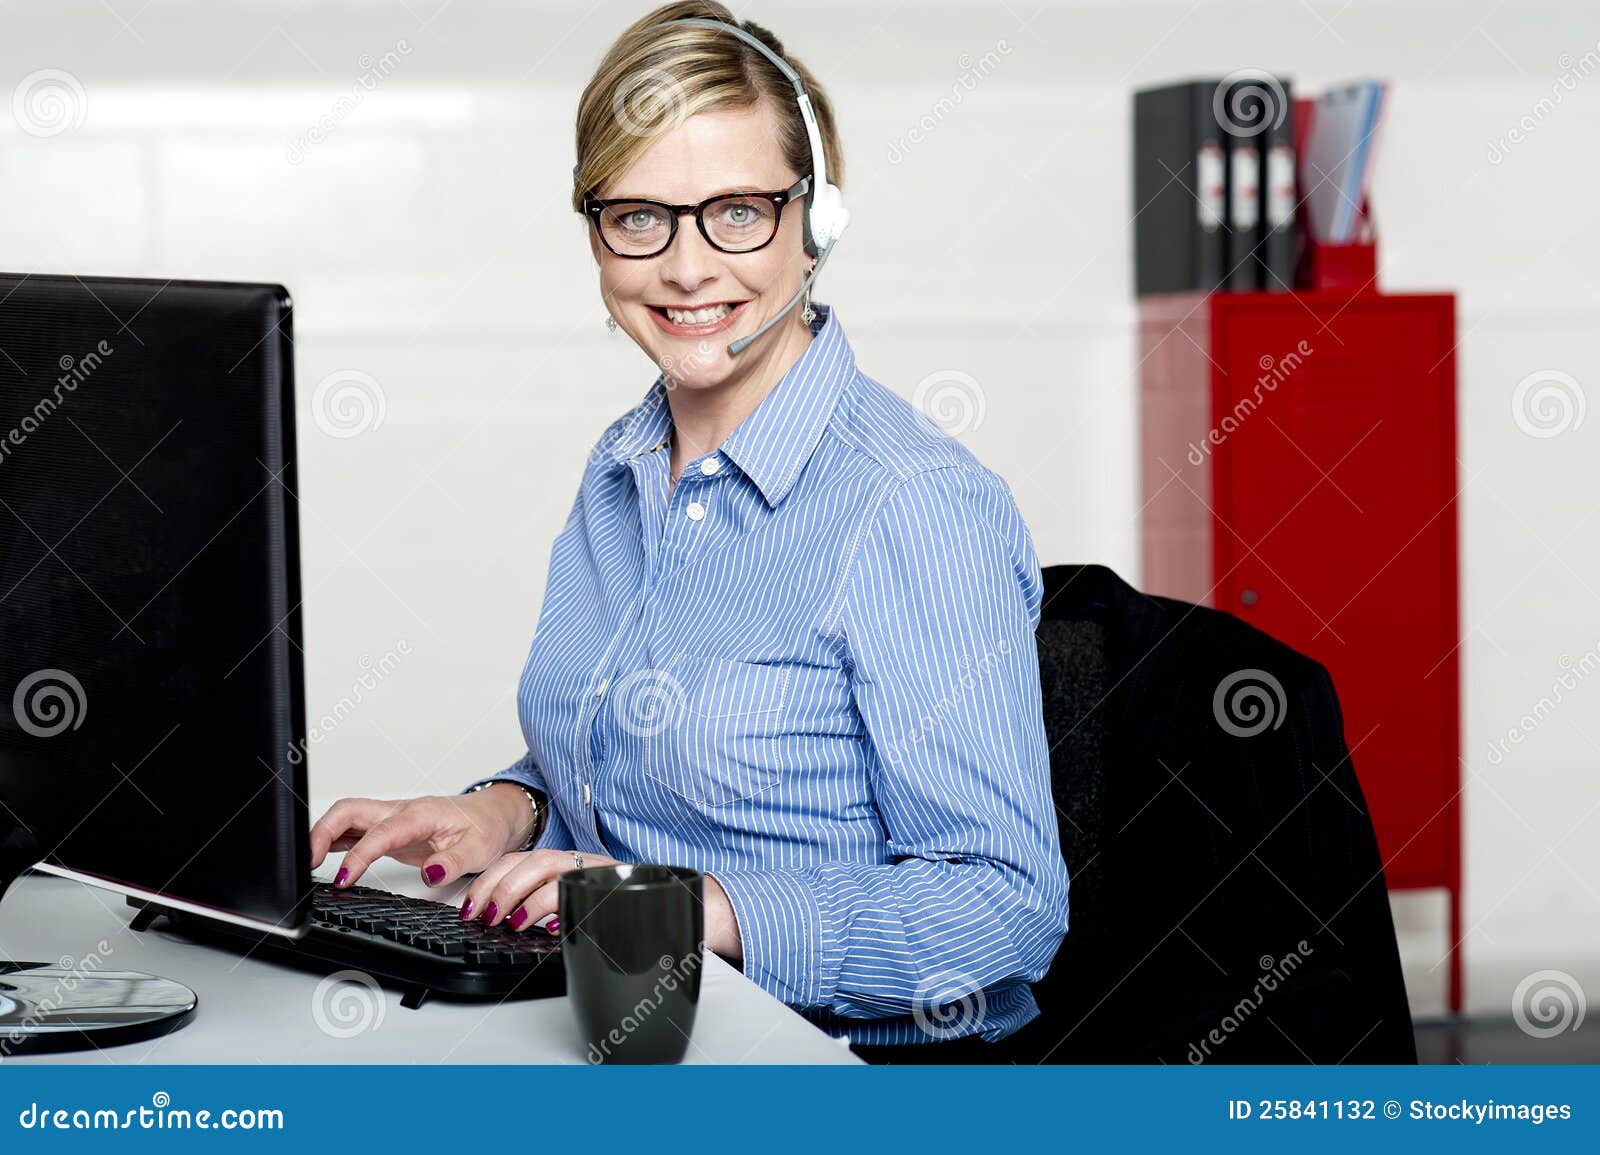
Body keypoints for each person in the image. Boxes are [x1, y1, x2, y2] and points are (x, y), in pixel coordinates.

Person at [309, 0, 1069, 1057]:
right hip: (630, 1034)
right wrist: (503, 811)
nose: (685, 266)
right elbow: (641, 766)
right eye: (639, 216)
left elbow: (1003, 907)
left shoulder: (912, 504)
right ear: (596, 232)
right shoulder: (624, 464)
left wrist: (692, 911)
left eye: (738, 211)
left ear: (818, 220)